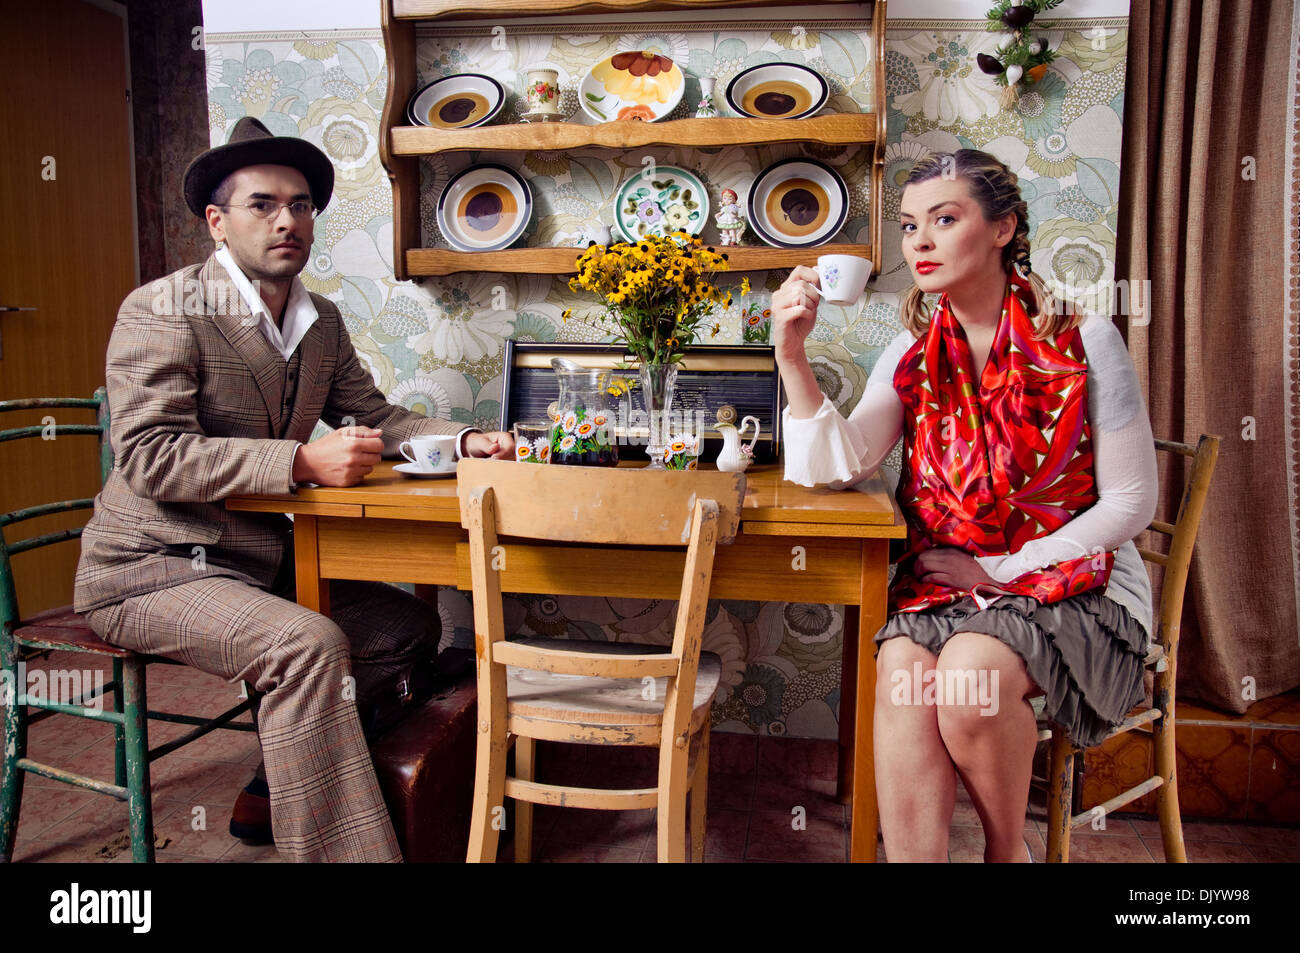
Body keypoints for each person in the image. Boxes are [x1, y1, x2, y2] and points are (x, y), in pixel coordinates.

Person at [73, 117, 515, 862]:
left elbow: (375, 417)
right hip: (147, 569)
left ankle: (274, 784)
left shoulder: (321, 322)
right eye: (263, 204)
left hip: (254, 564)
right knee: (307, 643)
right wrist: (301, 464)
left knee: (409, 628)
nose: (288, 220)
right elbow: (149, 455)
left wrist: (467, 439)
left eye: (302, 204)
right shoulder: (164, 308)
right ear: (217, 221)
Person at [771, 149, 1157, 862]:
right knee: (903, 673)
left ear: (1004, 227)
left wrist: (1005, 566)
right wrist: (792, 356)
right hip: (950, 582)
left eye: (944, 220)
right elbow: (840, 465)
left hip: (1077, 581)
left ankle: (1008, 855)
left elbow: (1132, 501)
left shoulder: (1084, 339)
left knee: (969, 672)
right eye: (911, 224)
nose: (918, 241)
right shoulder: (911, 351)